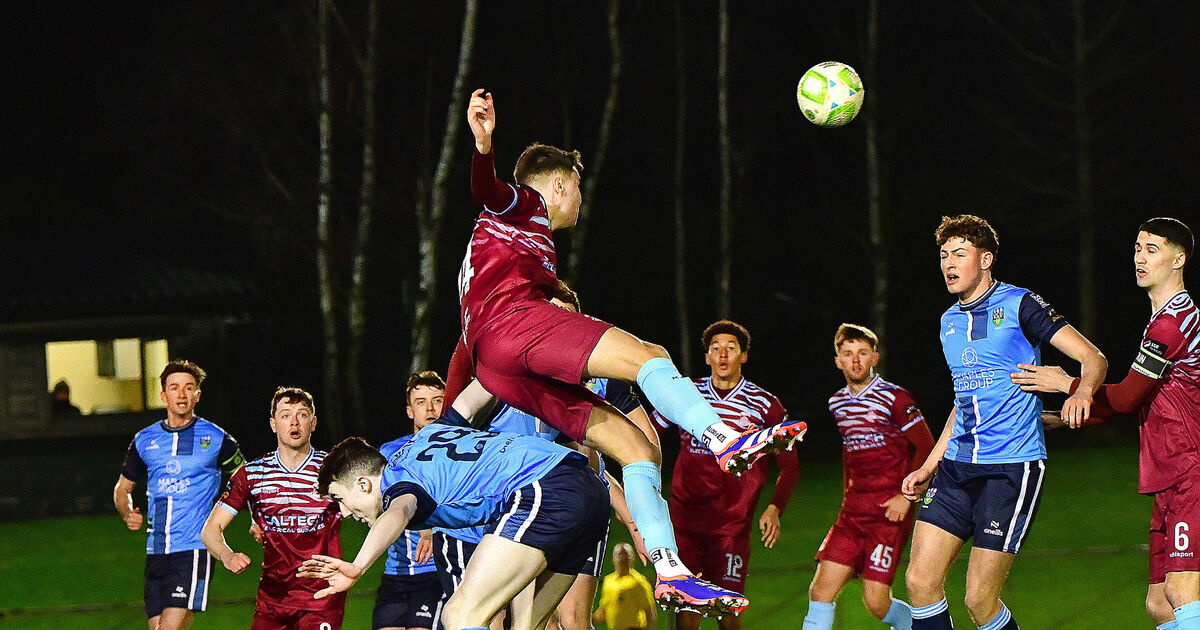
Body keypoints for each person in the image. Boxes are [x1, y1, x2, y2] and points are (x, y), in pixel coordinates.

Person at [453, 88, 805, 614]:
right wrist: (483, 145)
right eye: (577, 189)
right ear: (557, 184)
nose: (579, 200)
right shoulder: (524, 207)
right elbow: (489, 188)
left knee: (637, 449)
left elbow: (468, 343)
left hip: (496, 361)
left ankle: (670, 569)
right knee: (649, 354)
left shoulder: (506, 248)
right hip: (514, 327)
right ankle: (724, 437)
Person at [899, 215, 1107, 630]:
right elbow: (965, 402)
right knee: (919, 581)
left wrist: (1080, 391)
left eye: (960, 253)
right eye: (943, 255)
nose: (948, 263)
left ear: (986, 259)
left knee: (979, 599)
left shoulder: (1019, 304)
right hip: (958, 467)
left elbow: (1093, 358)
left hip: (1011, 468)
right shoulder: (948, 323)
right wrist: (929, 464)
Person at [1010, 217, 1200, 630]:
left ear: (1178, 258)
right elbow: (1134, 402)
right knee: (1160, 605)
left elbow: (1128, 396)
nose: (1140, 257)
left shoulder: (1173, 323)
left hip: (1191, 474)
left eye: (1152, 249)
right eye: (1137, 248)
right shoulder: (1163, 319)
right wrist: (1068, 415)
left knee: (1184, 593)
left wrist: (1068, 383)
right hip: (1170, 476)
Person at [297, 409, 611, 630]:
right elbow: (476, 394)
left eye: (340, 499)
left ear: (364, 484)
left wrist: (358, 566)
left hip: (544, 489)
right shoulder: (433, 432)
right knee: (527, 625)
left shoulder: (397, 486)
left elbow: (397, 513)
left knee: (460, 616)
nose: (344, 512)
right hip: (589, 487)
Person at [652, 319, 800, 630]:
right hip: (686, 522)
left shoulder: (764, 404)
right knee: (685, 614)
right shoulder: (685, 393)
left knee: (728, 615)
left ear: (743, 356)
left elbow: (789, 463)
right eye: (715, 349)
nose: (722, 355)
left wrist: (775, 508)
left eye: (731, 349)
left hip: (731, 527)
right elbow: (648, 433)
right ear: (706, 356)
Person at [802, 324, 935, 630]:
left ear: (875, 357)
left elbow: (926, 446)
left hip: (888, 513)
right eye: (847, 354)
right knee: (820, 590)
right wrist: (846, 497)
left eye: (862, 353)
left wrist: (907, 496)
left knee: (876, 601)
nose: (856, 361)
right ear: (838, 360)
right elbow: (850, 452)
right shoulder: (836, 403)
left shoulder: (896, 398)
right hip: (852, 514)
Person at [113, 360, 245, 630]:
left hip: (194, 548)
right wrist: (127, 512)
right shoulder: (144, 440)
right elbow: (122, 488)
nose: (181, 395)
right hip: (156, 550)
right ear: (163, 395)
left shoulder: (216, 438)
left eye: (189, 388)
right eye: (174, 388)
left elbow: (247, 480)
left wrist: (254, 519)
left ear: (198, 394)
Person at [200, 386, 344, 629]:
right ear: (273, 423)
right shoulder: (253, 474)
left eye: (302, 414)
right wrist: (227, 555)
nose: (294, 422)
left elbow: (373, 513)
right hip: (272, 600)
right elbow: (211, 529)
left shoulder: (335, 471)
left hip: (321, 599)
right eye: (286, 415)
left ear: (314, 422)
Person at [374, 371, 447, 630]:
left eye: (437, 400)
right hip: (396, 571)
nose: (430, 409)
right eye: (421, 401)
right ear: (409, 410)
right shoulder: (389, 453)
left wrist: (431, 525)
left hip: (435, 572)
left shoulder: (455, 453)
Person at [593, 543, 657, 630]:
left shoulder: (639, 582)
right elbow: (604, 610)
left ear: (632, 558)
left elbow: (649, 612)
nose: (623, 559)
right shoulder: (608, 580)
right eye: (619, 555)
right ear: (613, 559)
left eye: (626, 555)